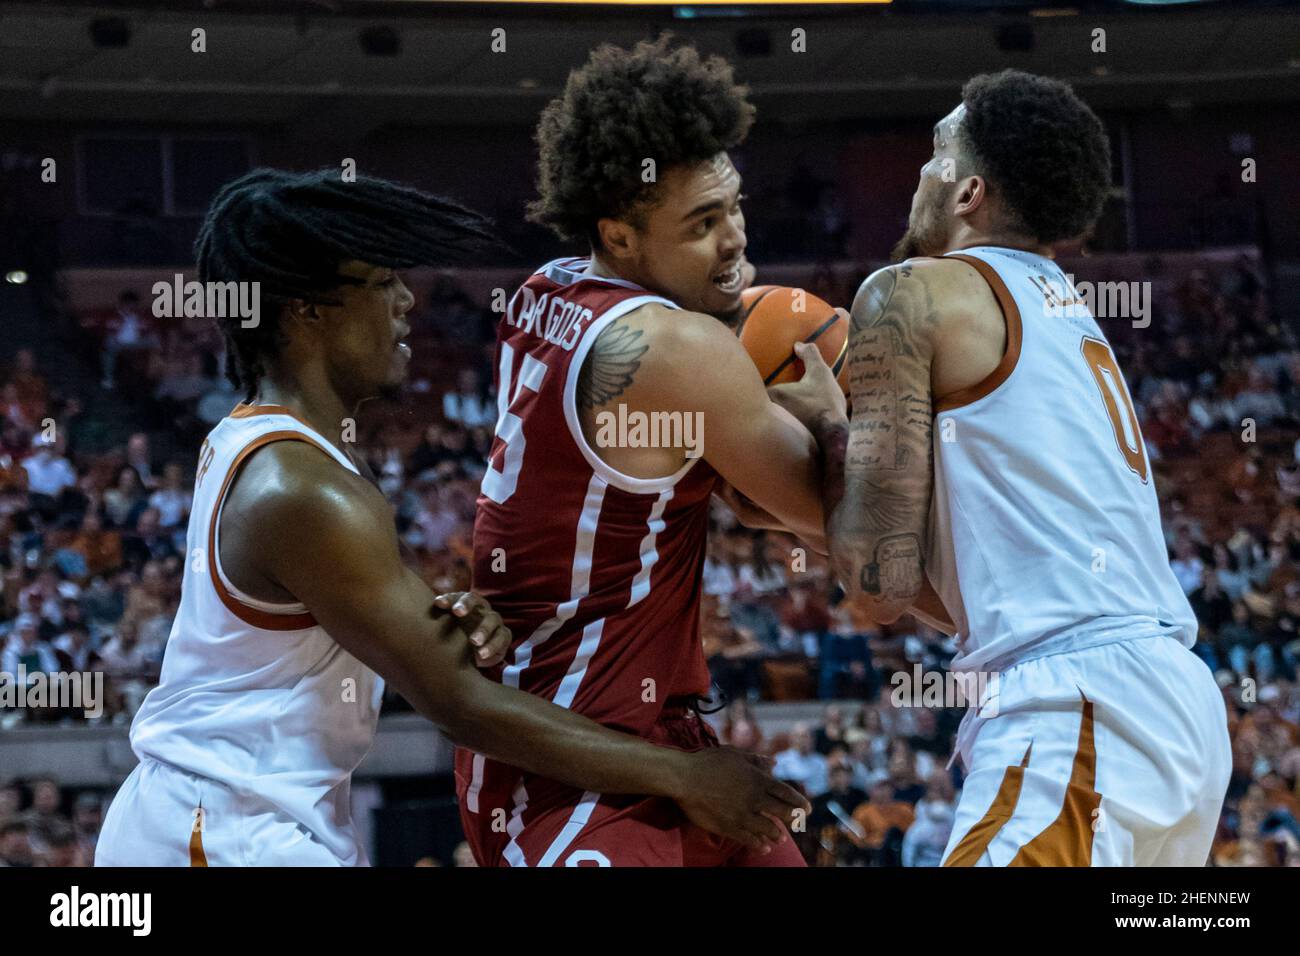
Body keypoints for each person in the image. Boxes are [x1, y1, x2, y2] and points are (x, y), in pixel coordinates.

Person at [95, 167, 805, 867]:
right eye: (381, 283)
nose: (406, 301)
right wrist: (683, 776)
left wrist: (442, 615)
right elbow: (459, 704)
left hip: (217, 818)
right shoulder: (303, 489)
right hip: (219, 830)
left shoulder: (264, 441)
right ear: (306, 309)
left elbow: (319, 628)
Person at [809, 70, 1231, 866]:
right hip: (1165, 705)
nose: (920, 176)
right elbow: (972, 587)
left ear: (968, 191)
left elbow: (876, 586)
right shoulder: (1068, 315)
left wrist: (814, 440)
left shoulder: (907, 294)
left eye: (934, 155)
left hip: (1075, 708)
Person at [456, 36, 833, 867]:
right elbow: (837, 519)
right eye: (702, 224)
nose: (734, 239)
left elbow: (685, 487)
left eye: (733, 207)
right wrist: (839, 415)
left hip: (648, 729)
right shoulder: (675, 348)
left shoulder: (544, 289)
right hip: (571, 753)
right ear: (620, 237)